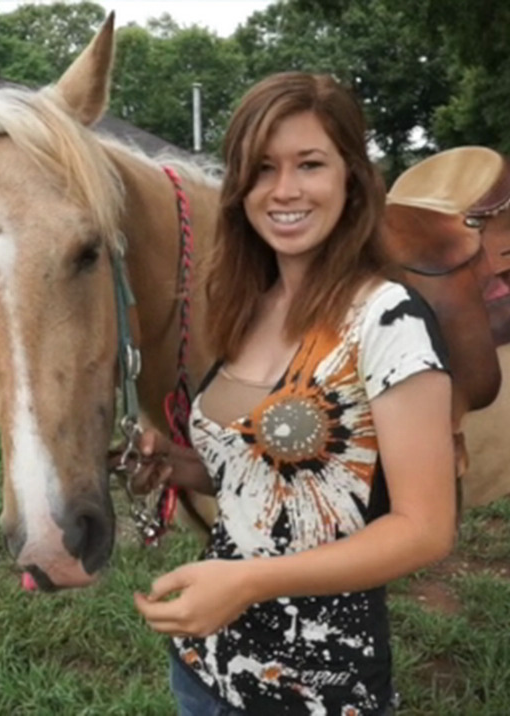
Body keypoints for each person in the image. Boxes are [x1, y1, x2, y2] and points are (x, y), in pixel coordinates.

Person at [132, 71, 457, 716]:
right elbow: (266, 478)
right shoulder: (247, 306)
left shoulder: (386, 319)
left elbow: (425, 530)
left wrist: (247, 584)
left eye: (310, 164)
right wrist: (175, 463)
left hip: (316, 689)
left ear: (350, 179)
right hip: (202, 669)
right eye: (262, 169)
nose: (284, 190)